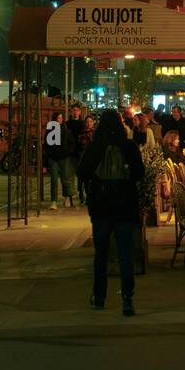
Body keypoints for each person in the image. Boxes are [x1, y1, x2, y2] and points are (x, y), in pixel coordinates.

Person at [77, 109, 145, 316]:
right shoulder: (129, 146)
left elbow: (82, 171)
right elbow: (139, 173)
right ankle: (127, 298)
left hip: (101, 207)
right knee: (125, 254)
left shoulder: (96, 146)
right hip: (124, 206)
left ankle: (99, 297)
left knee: (101, 255)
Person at [46, 109, 77, 209]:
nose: (60, 120)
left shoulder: (66, 130)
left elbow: (72, 142)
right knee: (54, 180)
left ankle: (67, 198)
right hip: (53, 158)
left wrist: (68, 152)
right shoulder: (50, 131)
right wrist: (49, 155)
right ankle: (54, 201)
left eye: (61, 118)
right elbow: (46, 145)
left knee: (66, 178)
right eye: (58, 118)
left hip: (64, 158)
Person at [76, 112, 95, 205]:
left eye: (90, 121)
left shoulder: (96, 132)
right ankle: (81, 195)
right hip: (82, 158)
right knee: (82, 179)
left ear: (93, 122)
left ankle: (89, 197)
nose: (89, 123)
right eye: (87, 121)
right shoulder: (82, 132)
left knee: (90, 179)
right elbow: (81, 143)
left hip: (92, 159)